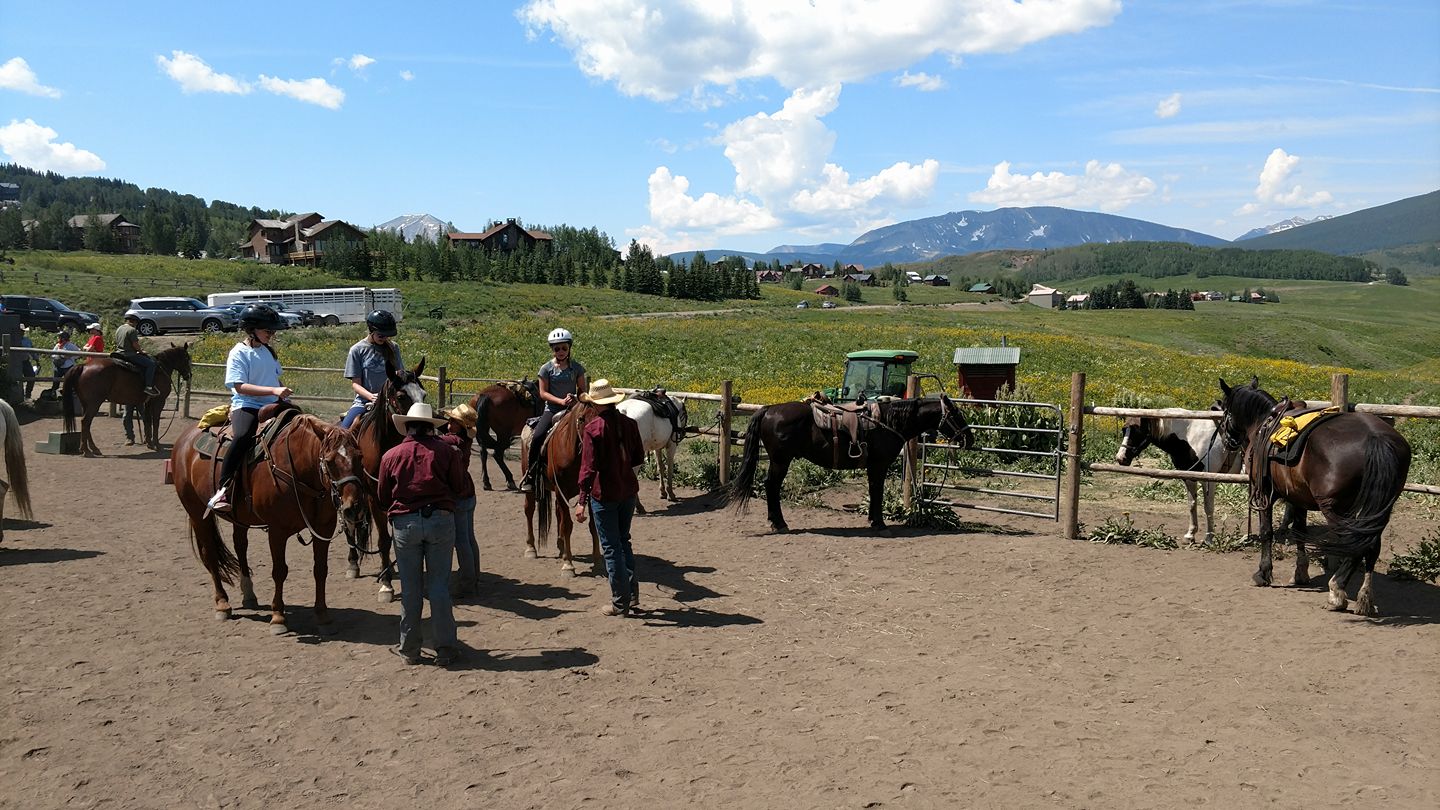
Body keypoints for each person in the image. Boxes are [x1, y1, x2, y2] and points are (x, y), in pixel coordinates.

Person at [377, 402, 466, 666]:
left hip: (405, 525)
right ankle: (446, 648)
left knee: (411, 589)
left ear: (408, 425)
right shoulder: (447, 452)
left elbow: (383, 497)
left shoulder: (390, 455)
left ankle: (410, 650)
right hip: (440, 520)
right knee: (439, 588)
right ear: (431, 426)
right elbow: (459, 487)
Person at [207, 305, 291, 513]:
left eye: (272, 331)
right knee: (243, 436)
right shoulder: (238, 352)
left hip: (274, 404)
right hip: (247, 405)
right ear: (252, 330)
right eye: (267, 331)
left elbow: (274, 377)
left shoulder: (268, 352)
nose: (271, 335)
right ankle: (223, 490)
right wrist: (273, 389)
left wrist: (280, 393)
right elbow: (239, 386)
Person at [573, 379, 646, 617]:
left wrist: (581, 500)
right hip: (627, 491)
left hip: (604, 494)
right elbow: (638, 458)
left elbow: (587, 468)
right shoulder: (630, 424)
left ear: (595, 404)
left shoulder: (593, 429)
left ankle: (619, 602)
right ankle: (632, 595)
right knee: (624, 541)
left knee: (611, 548)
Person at [521, 327, 586, 489]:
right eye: (557, 348)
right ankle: (531, 473)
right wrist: (561, 401)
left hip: (573, 410)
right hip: (552, 410)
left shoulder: (577, 368)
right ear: (552, 349)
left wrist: (576, 398)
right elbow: (543, 393)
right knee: (537, 437)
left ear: (569, 347)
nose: (561, 351)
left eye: (564, 348)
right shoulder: (546, 369)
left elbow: (583, 391)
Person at [440, 402, 480, 598]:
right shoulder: (464, 442)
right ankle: (473, 576)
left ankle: (467, 582)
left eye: (453, 422)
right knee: (468, 538)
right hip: (467, 490)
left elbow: (438, 441)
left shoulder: (450, 442)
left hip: (457, 494)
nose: (449, 424)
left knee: (461, 541)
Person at [340, 310, 403, 429]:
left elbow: (399, 374)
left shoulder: (394, 348)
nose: (384, 338)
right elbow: (356, 385)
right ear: (371, 331)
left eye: (387, 336)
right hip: (364, 402)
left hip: (392, 400)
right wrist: (372, 397)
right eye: (380, 335)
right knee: (343, 432)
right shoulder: (357, 350)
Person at [114, 313, 160, 398]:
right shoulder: (132, 330)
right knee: (151, 364)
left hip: (118, 353)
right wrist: (141, 351)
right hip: (129, 354)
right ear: (134, 322)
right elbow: (135, 344)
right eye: (136, 323)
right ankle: (148, 386)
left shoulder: (119, 328)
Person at [17, 324, 36, 400]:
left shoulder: (27, 340)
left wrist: (36, 359)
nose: (22, 333)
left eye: (23, 331)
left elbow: (32, 350)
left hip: (25, 361)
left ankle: (28, 394)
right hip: (16, 362)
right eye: (21, 331)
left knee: (31, 376)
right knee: (17, 378)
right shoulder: (13, 340)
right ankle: (19, 395)